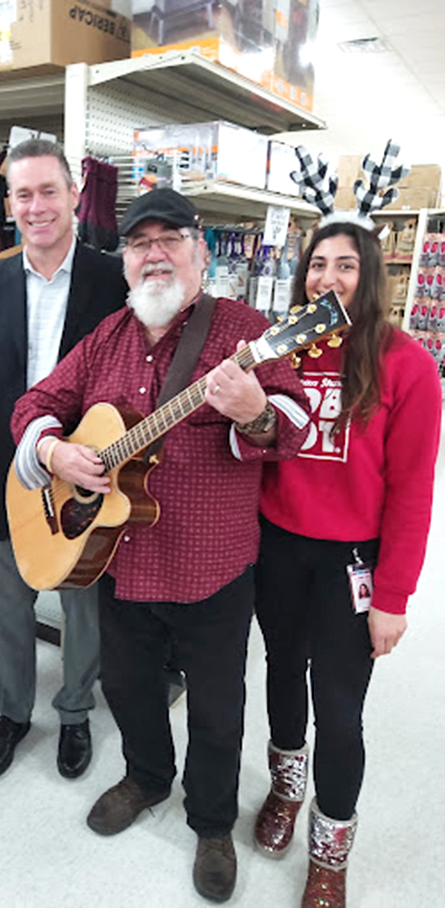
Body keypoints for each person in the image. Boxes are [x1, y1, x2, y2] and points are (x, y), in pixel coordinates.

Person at [9, 188, 310, 903]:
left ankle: (210, 821)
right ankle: (146, 777)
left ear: (200, 252)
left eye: (169, 239)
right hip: (117, 559)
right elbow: (37, 404)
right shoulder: (107, 336)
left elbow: (294, 425)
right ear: (125, 262)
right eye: (139, 243)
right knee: (129, 687)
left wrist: (257, 412)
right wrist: (54, 455)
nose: (153, 255)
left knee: (215, 706)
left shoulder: (245, 330)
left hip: (212, 566)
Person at [252, 220, 442, 908]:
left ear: (371, 277)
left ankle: (330, 851)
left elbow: (414, 488)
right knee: (280, 672)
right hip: (277, 547)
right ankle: (284, 789)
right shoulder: (283, 349)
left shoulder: (408, 365)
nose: (327, 278)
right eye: (317, 265)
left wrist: (394, 595)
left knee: (340, 710)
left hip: (351, 565)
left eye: (346, 266)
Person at [0, 139, 129, 781]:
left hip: (89, 470)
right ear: (10, 203)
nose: (36, 207)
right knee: (10, 606)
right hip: (11, 474)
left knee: (83, 603)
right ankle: (11, 713)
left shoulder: (114, 280)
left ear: (74, 196)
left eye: (48, 191)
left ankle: (76, 709)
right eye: (23, 194)